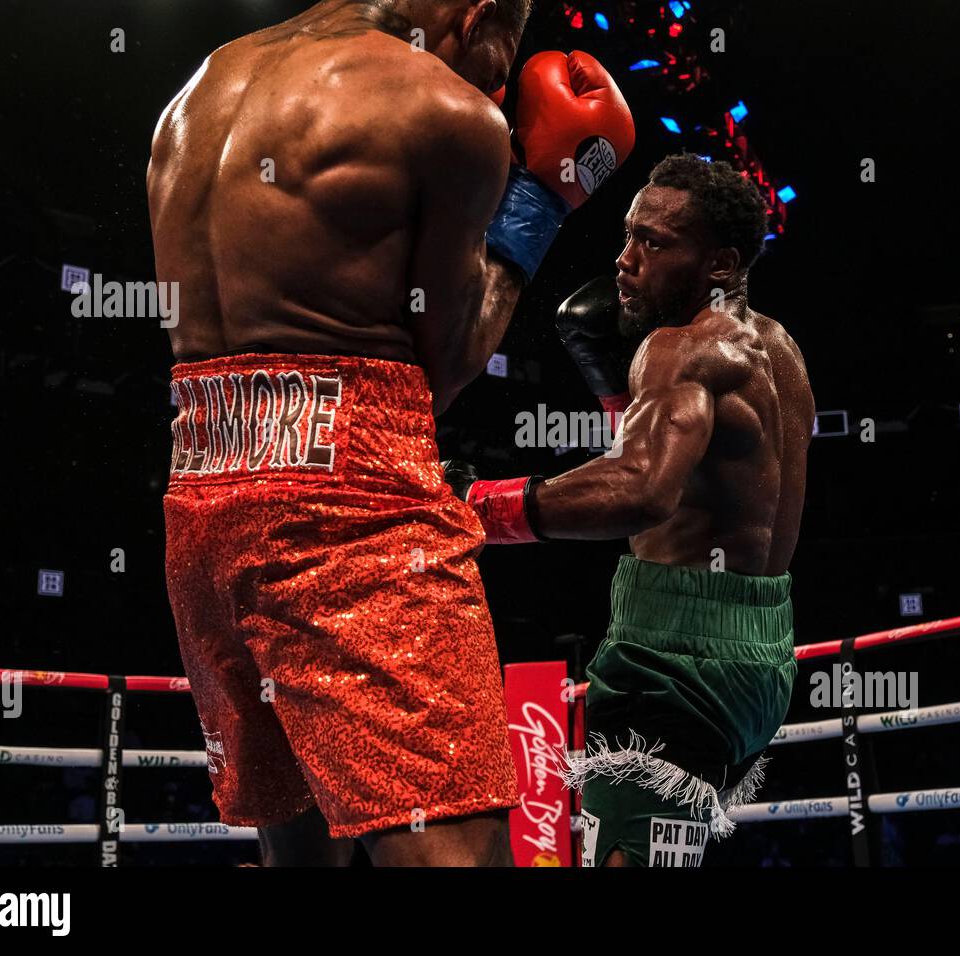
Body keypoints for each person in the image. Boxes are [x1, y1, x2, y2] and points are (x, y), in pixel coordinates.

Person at [147, 0, 634, 865]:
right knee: (458, 846)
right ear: (476, 12)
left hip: (199, 504)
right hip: (349, 496)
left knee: (298, 854)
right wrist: (542, 201)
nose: (496, 83)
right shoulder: (445, 113)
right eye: (502, 55)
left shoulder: (202, 86)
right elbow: (445, 364)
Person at [447, 154, 813, 867]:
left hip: (671, 664)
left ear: (722, 262)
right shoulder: (780, 349)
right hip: (758, 657)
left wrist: (473, 508)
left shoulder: (682, 348)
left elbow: (643, 487)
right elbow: (693, 472)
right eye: (627, 235)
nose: (624, 261)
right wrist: (622, 403)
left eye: (654, 242)